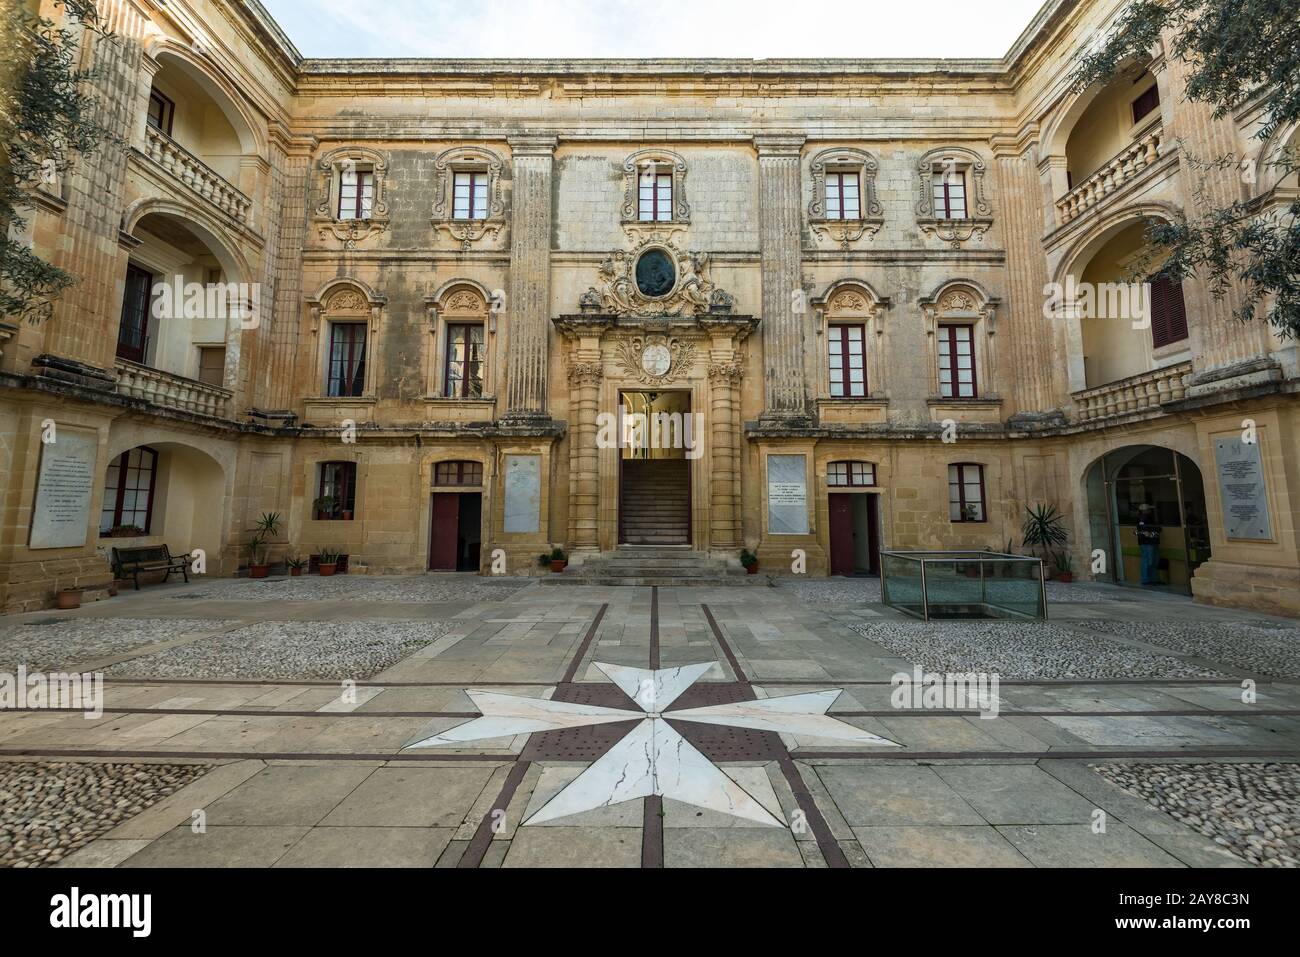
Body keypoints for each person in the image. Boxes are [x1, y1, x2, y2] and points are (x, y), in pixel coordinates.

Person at [1136, 504, 1162, 586]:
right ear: (1145, 510)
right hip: (1147, 542)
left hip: (1150, 542)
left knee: (1153, 560)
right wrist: (1155, 531)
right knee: (1148, 560)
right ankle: (1146, 579)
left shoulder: (1148, 518)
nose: (1150, 511)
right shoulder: (1143, 518)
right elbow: (1145, 531)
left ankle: (1153, 578)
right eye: (1148, 509)